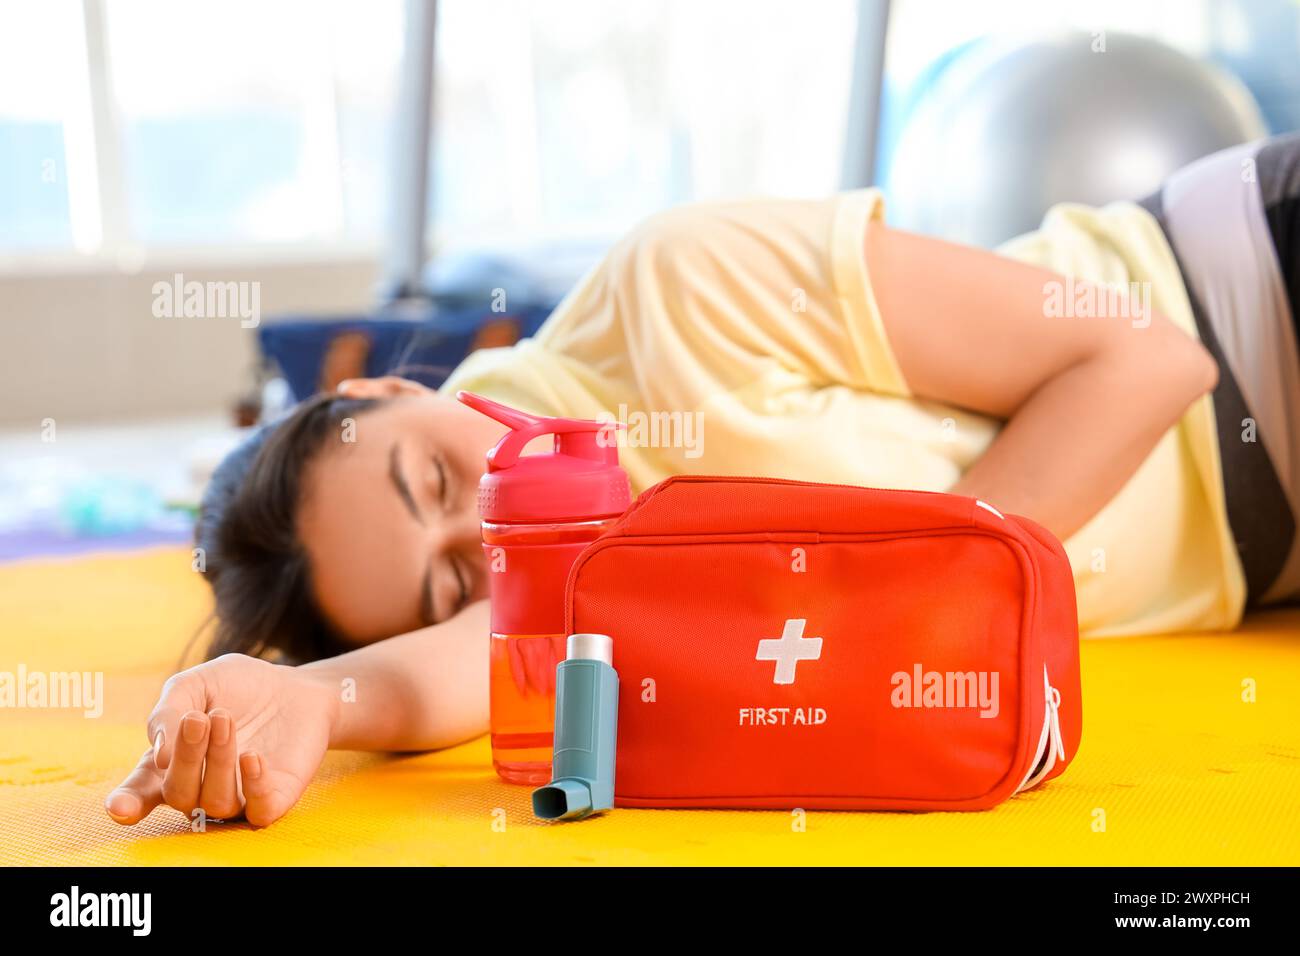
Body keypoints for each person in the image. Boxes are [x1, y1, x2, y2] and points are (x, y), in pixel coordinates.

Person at [104, 133, 1300, 828]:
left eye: (432, 478)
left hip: (1254, 306)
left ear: (386, 394)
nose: (491, 526)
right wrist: (314, 700)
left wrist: (915, 594)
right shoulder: (589, 605)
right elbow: (467, 665)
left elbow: (1145, 353)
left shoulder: (675, 290)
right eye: (453, 584)